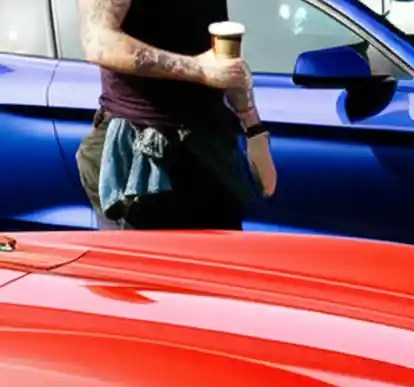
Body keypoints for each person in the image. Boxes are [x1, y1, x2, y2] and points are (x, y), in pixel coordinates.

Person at [74, 0, 269, 230]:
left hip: (211, 152)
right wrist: (200, 69)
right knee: (150, 265)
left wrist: (253, 127)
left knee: (220, 264)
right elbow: (98, 42)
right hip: (139, 161)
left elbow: (225, 61)